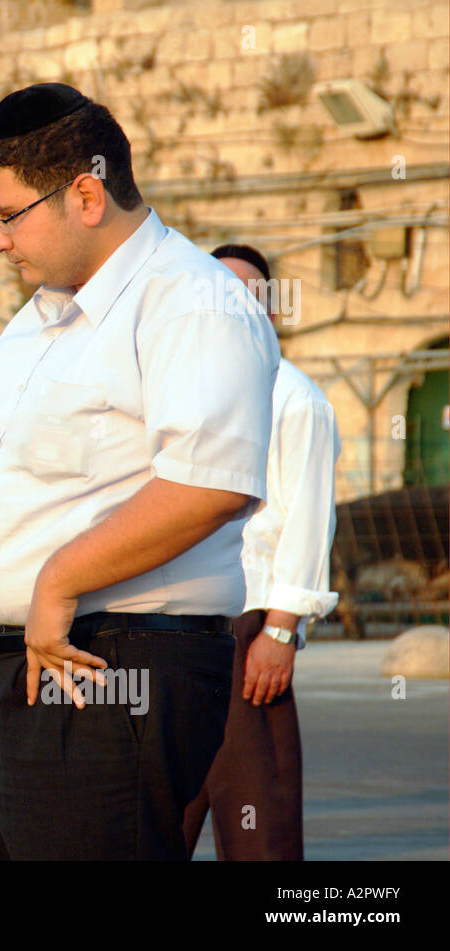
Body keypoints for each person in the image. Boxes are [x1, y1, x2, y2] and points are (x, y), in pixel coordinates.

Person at [0, 83, 280, 860]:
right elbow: (3, 506)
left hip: (104, 672)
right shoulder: (33, 322)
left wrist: (59, 580)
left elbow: (212, 482)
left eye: (6, 217)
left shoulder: (190, 302)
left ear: (84, 193)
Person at [182, 244, 340, 860]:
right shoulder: (181, 395)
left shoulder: (295, 399)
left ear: (269, 310)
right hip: (178, 622)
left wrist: (281, 628)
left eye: (247, 293)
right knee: (157, 808)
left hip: (249, 621)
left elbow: (307, 516)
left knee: (257, 818)